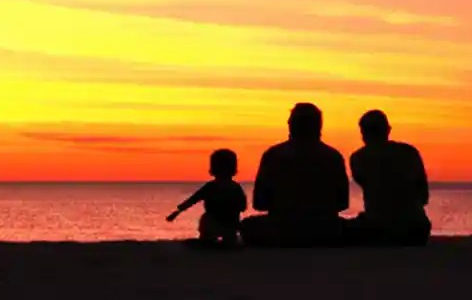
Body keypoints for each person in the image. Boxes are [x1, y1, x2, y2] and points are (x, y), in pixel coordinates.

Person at [239, 103, 350, 247]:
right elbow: (342, 203)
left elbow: (260, 203)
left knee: (247, 225)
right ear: (319, 126)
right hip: (325, 231)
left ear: (291, 125)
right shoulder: (333, 156)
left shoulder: (273, 155)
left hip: (282, 230)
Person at [345, 109, 431, 246]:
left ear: (363, 133)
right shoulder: (409, 152)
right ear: (388, 130)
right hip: (418, 230)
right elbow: (424, 196)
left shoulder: (358, 158)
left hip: (380, 229)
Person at [166, 148, 247, 247]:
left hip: (217, 221)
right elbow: (243, 206)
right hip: (230, 222)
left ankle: (210, 239)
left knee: (207, 220)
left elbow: (194, 199)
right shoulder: (235, 187)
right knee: (225, 230)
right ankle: (226, 239)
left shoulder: (211, 186)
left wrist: (178, 211)